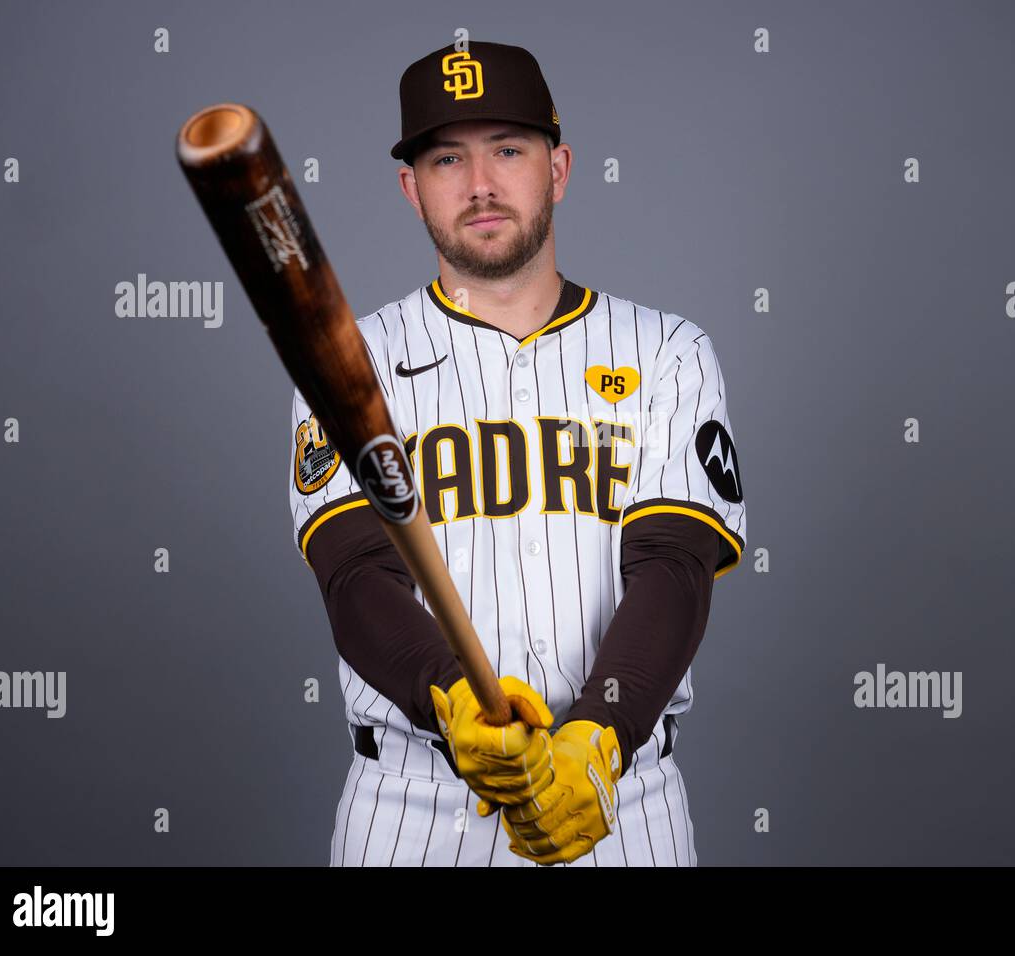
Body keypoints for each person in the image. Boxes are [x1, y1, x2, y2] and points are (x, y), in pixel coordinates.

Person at [288, 39, 746, 866]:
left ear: (559, 169)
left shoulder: (669, 351)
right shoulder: (349, 361)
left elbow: (674, 566)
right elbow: (354, 574)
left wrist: (599, 736)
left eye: (508, 149)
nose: (480, 184)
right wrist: (454, 700)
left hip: (621, 805)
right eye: (446, 158)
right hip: (413, 808)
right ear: (411, 187)